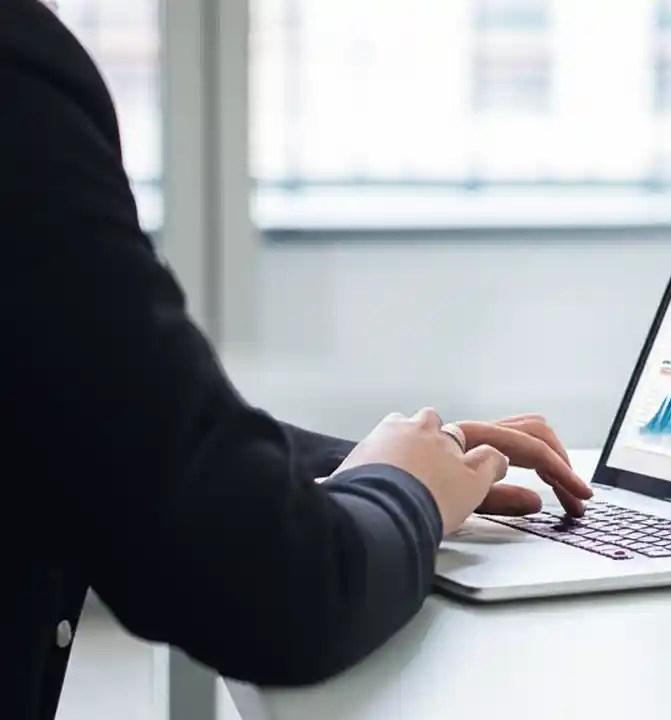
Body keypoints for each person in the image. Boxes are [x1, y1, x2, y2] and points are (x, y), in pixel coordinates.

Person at [1, 1, 594, 718]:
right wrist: (402, 491)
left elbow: (96, 416)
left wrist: (411, 464)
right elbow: (273, 589)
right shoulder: (17, 78)